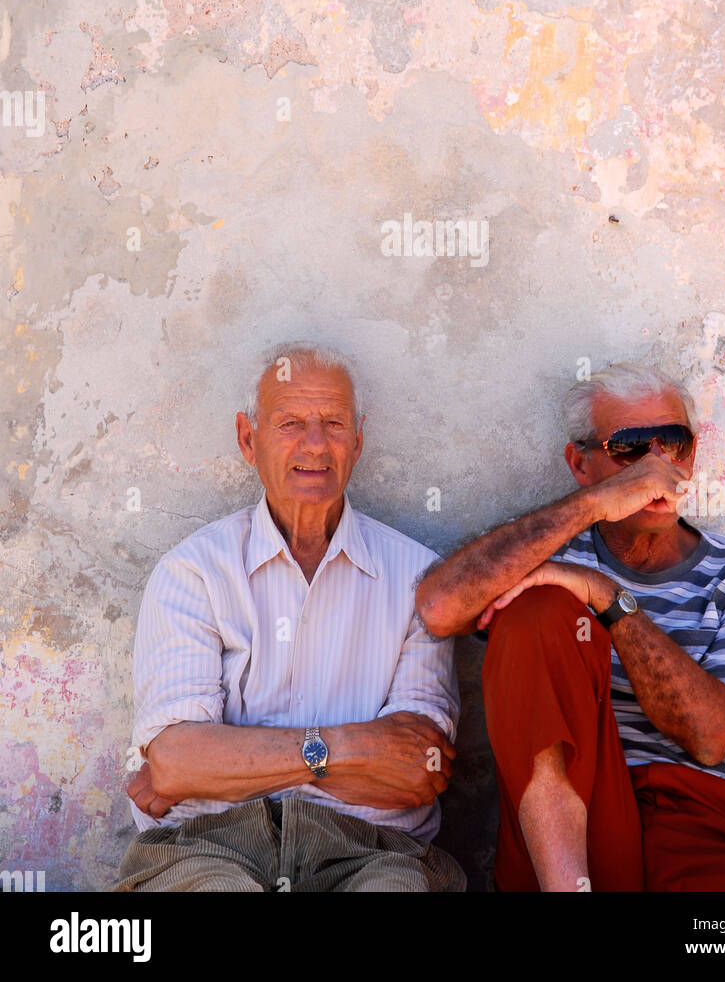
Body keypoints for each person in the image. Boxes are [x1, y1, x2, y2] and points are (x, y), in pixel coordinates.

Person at [415, 362, 725, 894]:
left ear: (692, 455)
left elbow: (712, 735)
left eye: (673, 442)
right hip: (575, 827)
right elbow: (438, 606)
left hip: (709, 823)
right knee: (539, 606)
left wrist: (608, 598)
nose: (655, 465)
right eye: (631, 447)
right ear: (580, 463)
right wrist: (592, 507)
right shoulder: (546, 558)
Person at [112, 341, 465, 893]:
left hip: (370, 850)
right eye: (291, 423)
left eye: (334, 423)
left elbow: (418, 771)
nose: (316, 444)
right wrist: (351, 749)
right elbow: (179, 761)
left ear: (359, 440)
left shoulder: (420, 579)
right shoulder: (194, 572)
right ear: (247, 440)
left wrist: (223, 761)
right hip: (210, 846)